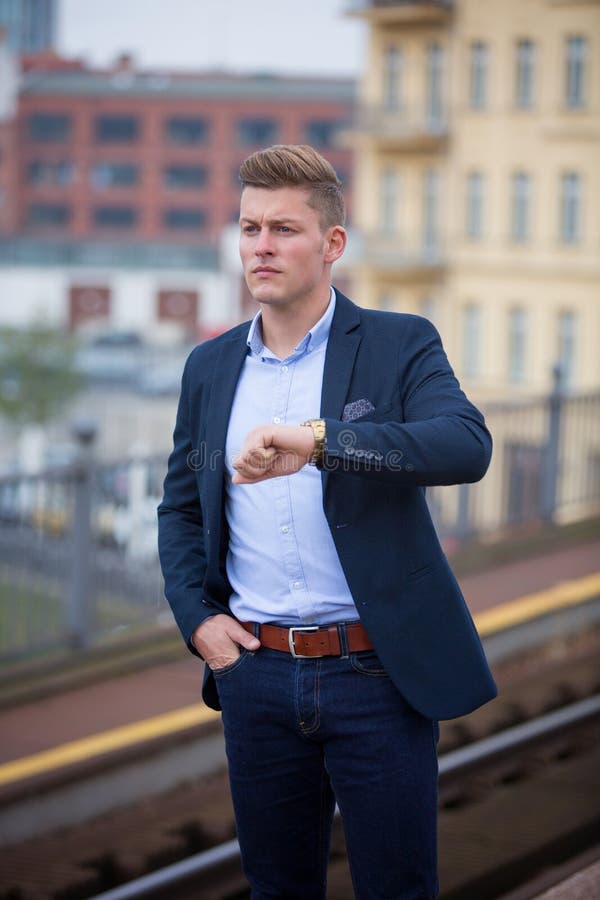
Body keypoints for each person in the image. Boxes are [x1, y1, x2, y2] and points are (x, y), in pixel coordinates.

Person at [158, 144, 497, 900]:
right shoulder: (209, 367)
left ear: (332, 243)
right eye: (249, 228)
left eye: (283, 228)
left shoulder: (398, 342)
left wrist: (319, 443)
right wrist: (198, 622)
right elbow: (181, 505)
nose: (261, 247)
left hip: (375, 672)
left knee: (396, 889)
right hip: (256, 673)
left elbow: (465, 445)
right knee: (277, 890)